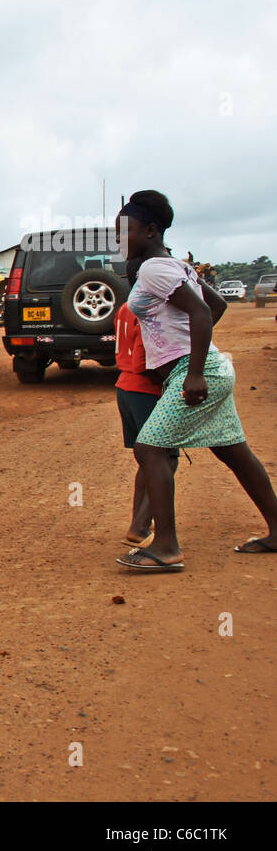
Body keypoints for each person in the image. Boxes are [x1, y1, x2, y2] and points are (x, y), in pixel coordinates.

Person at [115, 189, 277, 571]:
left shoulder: (156, 268)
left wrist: (193, 368)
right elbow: (215, 305)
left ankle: (166, 547)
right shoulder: (171, 264)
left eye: (127, 231)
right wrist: (186, 353)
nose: (121, 240)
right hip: (199, 369)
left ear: (152, 230)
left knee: (151, 449)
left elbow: (203, 312)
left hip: (196, 373)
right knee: (234, 451)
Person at [113, 267, 178, 547]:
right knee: (165, 458)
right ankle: (140, 526)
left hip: (124, 386)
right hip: (144, 388)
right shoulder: (150, 309)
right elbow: (145, 358)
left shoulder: (126, 307)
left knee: (148, 460)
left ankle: (140, 522)